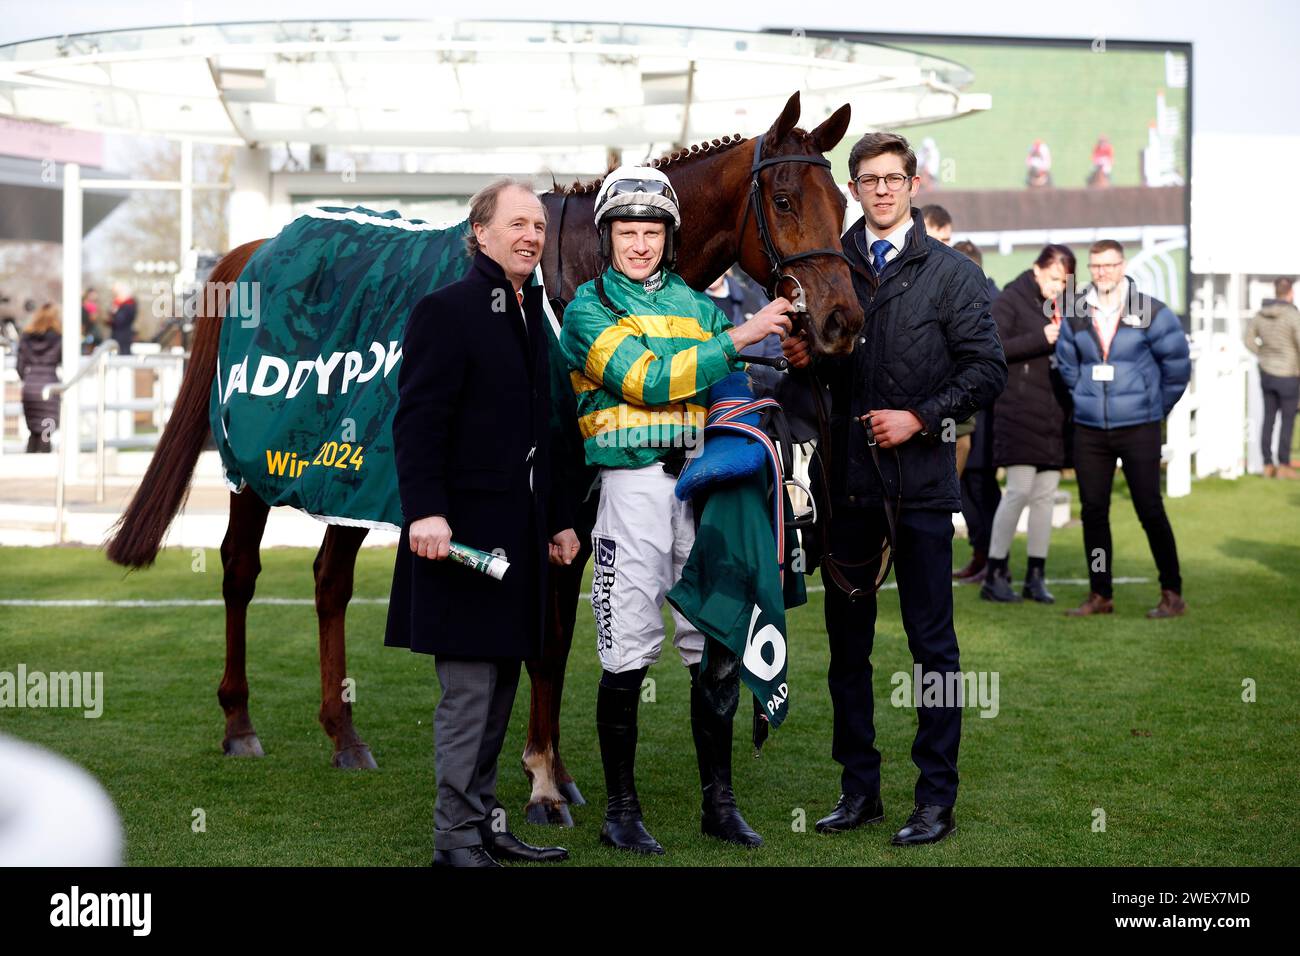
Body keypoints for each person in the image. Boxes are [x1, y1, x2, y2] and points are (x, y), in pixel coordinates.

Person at [559, 166, 792, 854]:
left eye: (651, 232)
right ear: (608, 237)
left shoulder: (698, 306)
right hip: (629, 491)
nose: (639, 244)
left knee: (714, 642)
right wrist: (742, 336)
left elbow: (732, 397)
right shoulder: (587, 308)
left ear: (670, 236)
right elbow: (650, 381)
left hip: (700, 483)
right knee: (627, 650)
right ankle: (620, 811)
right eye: (627, 232)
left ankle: (719, 804)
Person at [782, 132, 1007, 846]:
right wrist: (803, 357)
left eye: (892, 179)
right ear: (853, 189)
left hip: (923, 486)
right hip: (847, 488)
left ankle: (934, 799)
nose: (880, 190)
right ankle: (859, 792)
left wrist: (921, 417)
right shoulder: (829, 266)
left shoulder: (951, 274)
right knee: (847, 649)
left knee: (932, 647)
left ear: (913, 183)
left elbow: (987, 370)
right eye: (868, 180)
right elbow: (817, 369)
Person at [385, 178, 578, 868]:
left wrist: (557, 519)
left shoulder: (528, 312)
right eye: (518, 223)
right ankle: (454, 841)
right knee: (469, 696)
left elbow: (542, 429)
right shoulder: (446, 310)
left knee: (499, 693)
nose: (531, 235)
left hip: (518, 540)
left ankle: (487, 826)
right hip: (460, 540)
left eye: (538, 225)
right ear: (482, 233)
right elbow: (418, 421)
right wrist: (426, 511)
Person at [1056, 239, 1190, 618]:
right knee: (1094, 513)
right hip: (1090, 430)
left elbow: (1177, 367)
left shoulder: (1151, 311)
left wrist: (1153, 409)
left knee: (1150, 510)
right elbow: (1066, 363)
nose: (1103, 273)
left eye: (1110, 265)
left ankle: (1172, 591)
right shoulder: (1077, 311)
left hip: (1140, 428)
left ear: (1123, 265)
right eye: (1096, 266)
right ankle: (1101, 594)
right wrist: (1084, 395)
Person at [980, 245, 1076, 604]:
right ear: (1037, 270)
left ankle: (1036, 576)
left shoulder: (1066, 304)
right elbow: (994, 347)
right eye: (1053, 279)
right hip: (1017, 411)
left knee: (1045, 497)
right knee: (1018, 491)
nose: (1057, 288)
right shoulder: (1010, 299)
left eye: (1063, 282)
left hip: (1054, 414)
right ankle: (994, 572)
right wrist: (1042, 339)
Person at [950, 240, 1002, 583]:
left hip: (987, 415)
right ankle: (981, 557)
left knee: (982, 488)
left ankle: (992, 560)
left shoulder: (991, 303)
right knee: (971, 489)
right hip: (966, 410)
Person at [1243, 277, 1300, 478]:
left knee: (1268, 419)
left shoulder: (1261, 315)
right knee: (1287, 420)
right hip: (1288, 374)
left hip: (1267, 373)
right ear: (1290, 292)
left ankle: (1267, 464)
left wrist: (1262, 353)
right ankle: (1284, 465)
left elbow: (1248, 338)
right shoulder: (1292, 315)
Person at [17, 303, 61, 453]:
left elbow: (20, 367)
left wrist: (29, 378)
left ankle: (30, 466)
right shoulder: (59, 338)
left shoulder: (26, 337)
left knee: (34, 431)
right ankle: (44, 465)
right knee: (46, 432)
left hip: (30, 387)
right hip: (49, 386)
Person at [109, 282, 136, 355]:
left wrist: (115, 312)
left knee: (124, 353)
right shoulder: (119, 304)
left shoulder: (129, 304)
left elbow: (121, 320)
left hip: (123, 335)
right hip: (117, 334)